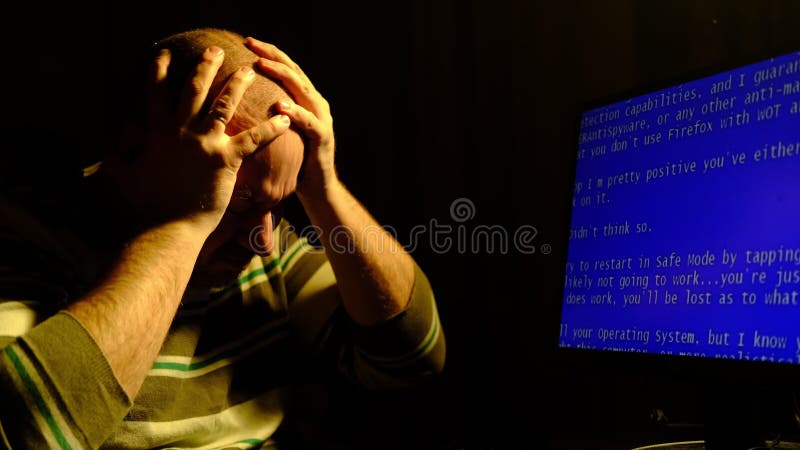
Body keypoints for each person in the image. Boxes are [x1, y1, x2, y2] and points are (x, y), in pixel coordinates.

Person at [0, 28, 445, 449]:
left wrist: (323, 188)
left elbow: (411, 359)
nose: (263, 242)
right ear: (131, 150)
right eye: (235, 202)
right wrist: (184, 226)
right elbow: (23, 432)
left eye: (280, 202)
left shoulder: (266, 244)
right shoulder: (24, 234)